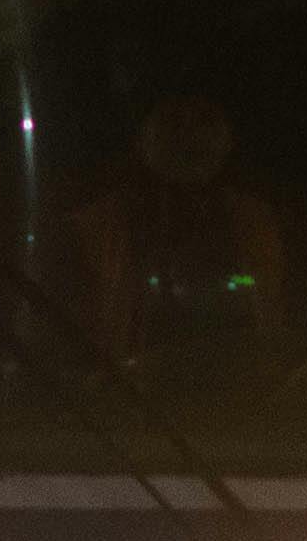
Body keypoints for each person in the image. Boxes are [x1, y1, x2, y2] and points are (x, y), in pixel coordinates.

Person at [61, 90, 293, 395]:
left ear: (226, 136)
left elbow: (280, 326)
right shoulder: (95, 226)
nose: (189, 134)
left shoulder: (257, 222)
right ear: (143, 134)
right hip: (124, 415)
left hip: (243, 411)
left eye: (203, 119)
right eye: (173, 120)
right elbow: (59, 343)